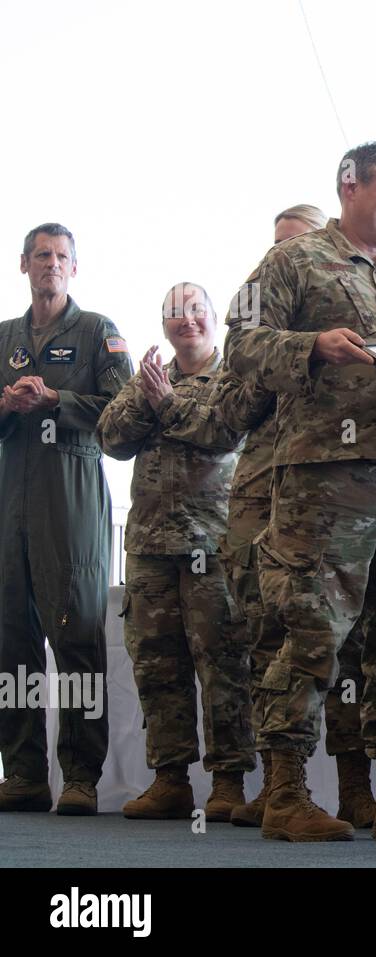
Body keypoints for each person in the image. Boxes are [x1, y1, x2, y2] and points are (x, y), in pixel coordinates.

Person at [225, 141, 376, 843]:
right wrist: (309, 347)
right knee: (308, 633)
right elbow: (238, 343)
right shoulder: (293, 262)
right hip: (321, 482)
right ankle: (287, 791)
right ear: (350, 186)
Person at [209, 203, 376, 831]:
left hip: (343, 492)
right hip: (264, 495)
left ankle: (357, 785)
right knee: (273, 638)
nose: (285, 259)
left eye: (301, 247)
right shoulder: (262, 328)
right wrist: (296, 357)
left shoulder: (366, 312)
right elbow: (228, 410)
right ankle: (284, 786)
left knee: (351, 645)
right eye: (278, 247)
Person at [97, 282, 253, 821]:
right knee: (158, 667)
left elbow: (225, 433)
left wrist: (168, 402)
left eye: (194, 311)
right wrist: (147, 395)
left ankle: (229, 782)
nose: (185, 320)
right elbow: (110, 439)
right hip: (148, 546)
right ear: (163, 324)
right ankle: (171, 780)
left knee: (222, 663)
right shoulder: (148, 378)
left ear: (213, 318)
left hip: (211, 545)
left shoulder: (234, 375)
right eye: (173, 313)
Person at [0, 224, 133, 816]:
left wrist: (57, 401)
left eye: (61, 256)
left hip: (71, 499)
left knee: (77, 637)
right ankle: (25, 774)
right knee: (12, 644)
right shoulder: (4, 336)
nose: (50, 264)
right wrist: (6, 404)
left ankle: (80, 775)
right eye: (41, 256)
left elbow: (125, 415)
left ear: (74, 268)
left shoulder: (97, 332)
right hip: (10, 501)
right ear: (23, 264)